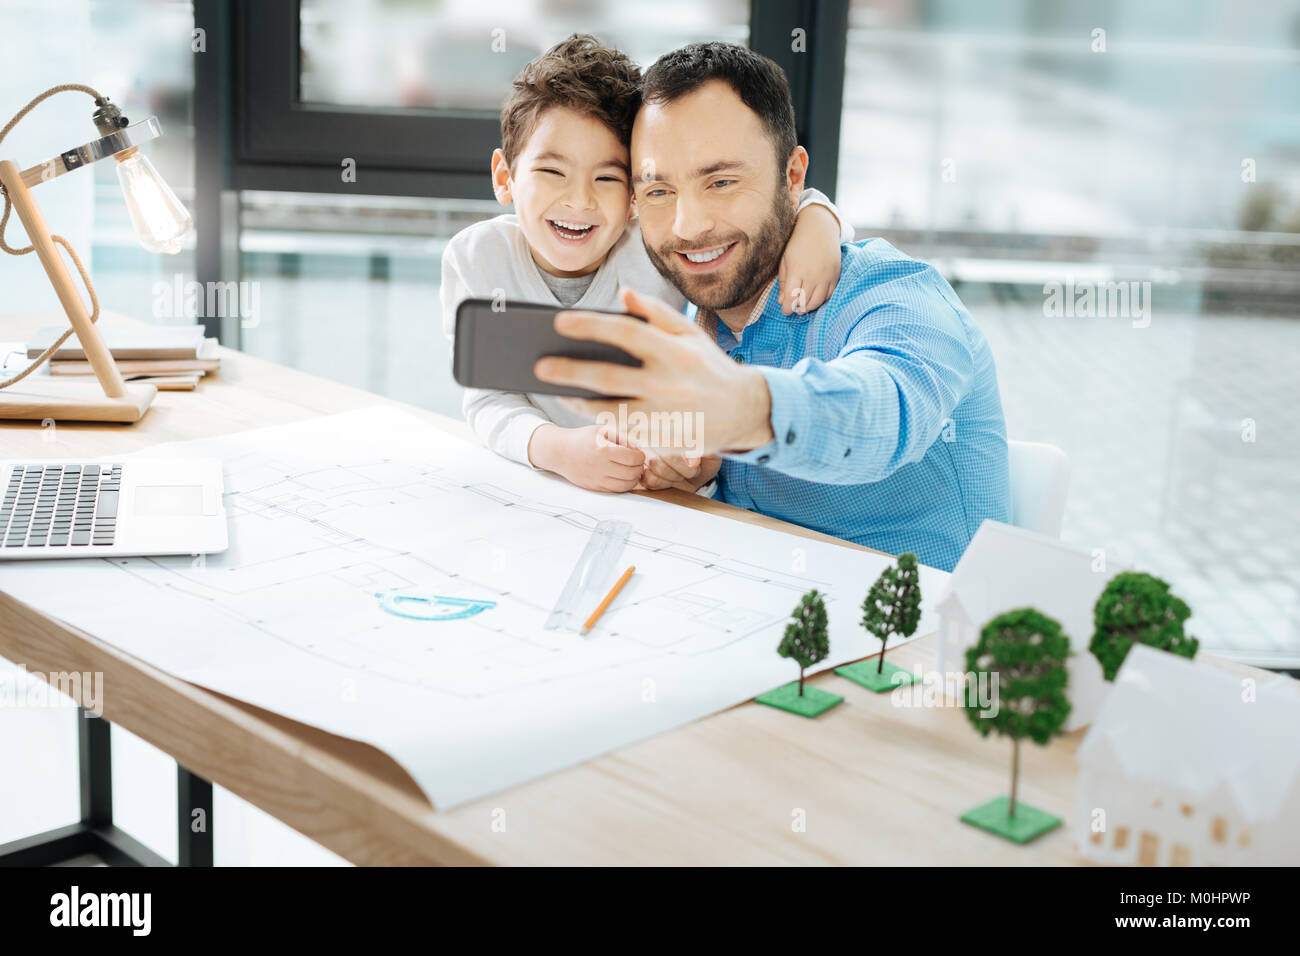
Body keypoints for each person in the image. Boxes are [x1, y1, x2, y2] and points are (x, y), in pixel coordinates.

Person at [534, 42, 1011, 571]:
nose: (688, 226)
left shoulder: (892, 292)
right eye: (659, 192)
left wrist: (740, 411)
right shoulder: (701, 323)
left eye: (721, 182)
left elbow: (888, 412)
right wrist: (695, 472)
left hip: (927, 638)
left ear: (792, 177)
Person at [441, 34, 853, 494]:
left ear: (634, 197)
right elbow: (488, 400)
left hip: (658, 493)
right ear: (505, 178)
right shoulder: (477, 259)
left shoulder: (652, 246)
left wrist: (820, 221)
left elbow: (772, 210)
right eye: (552, 171)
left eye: (606, 178)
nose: (579, 199)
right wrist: (559, 450)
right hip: (543, 484)